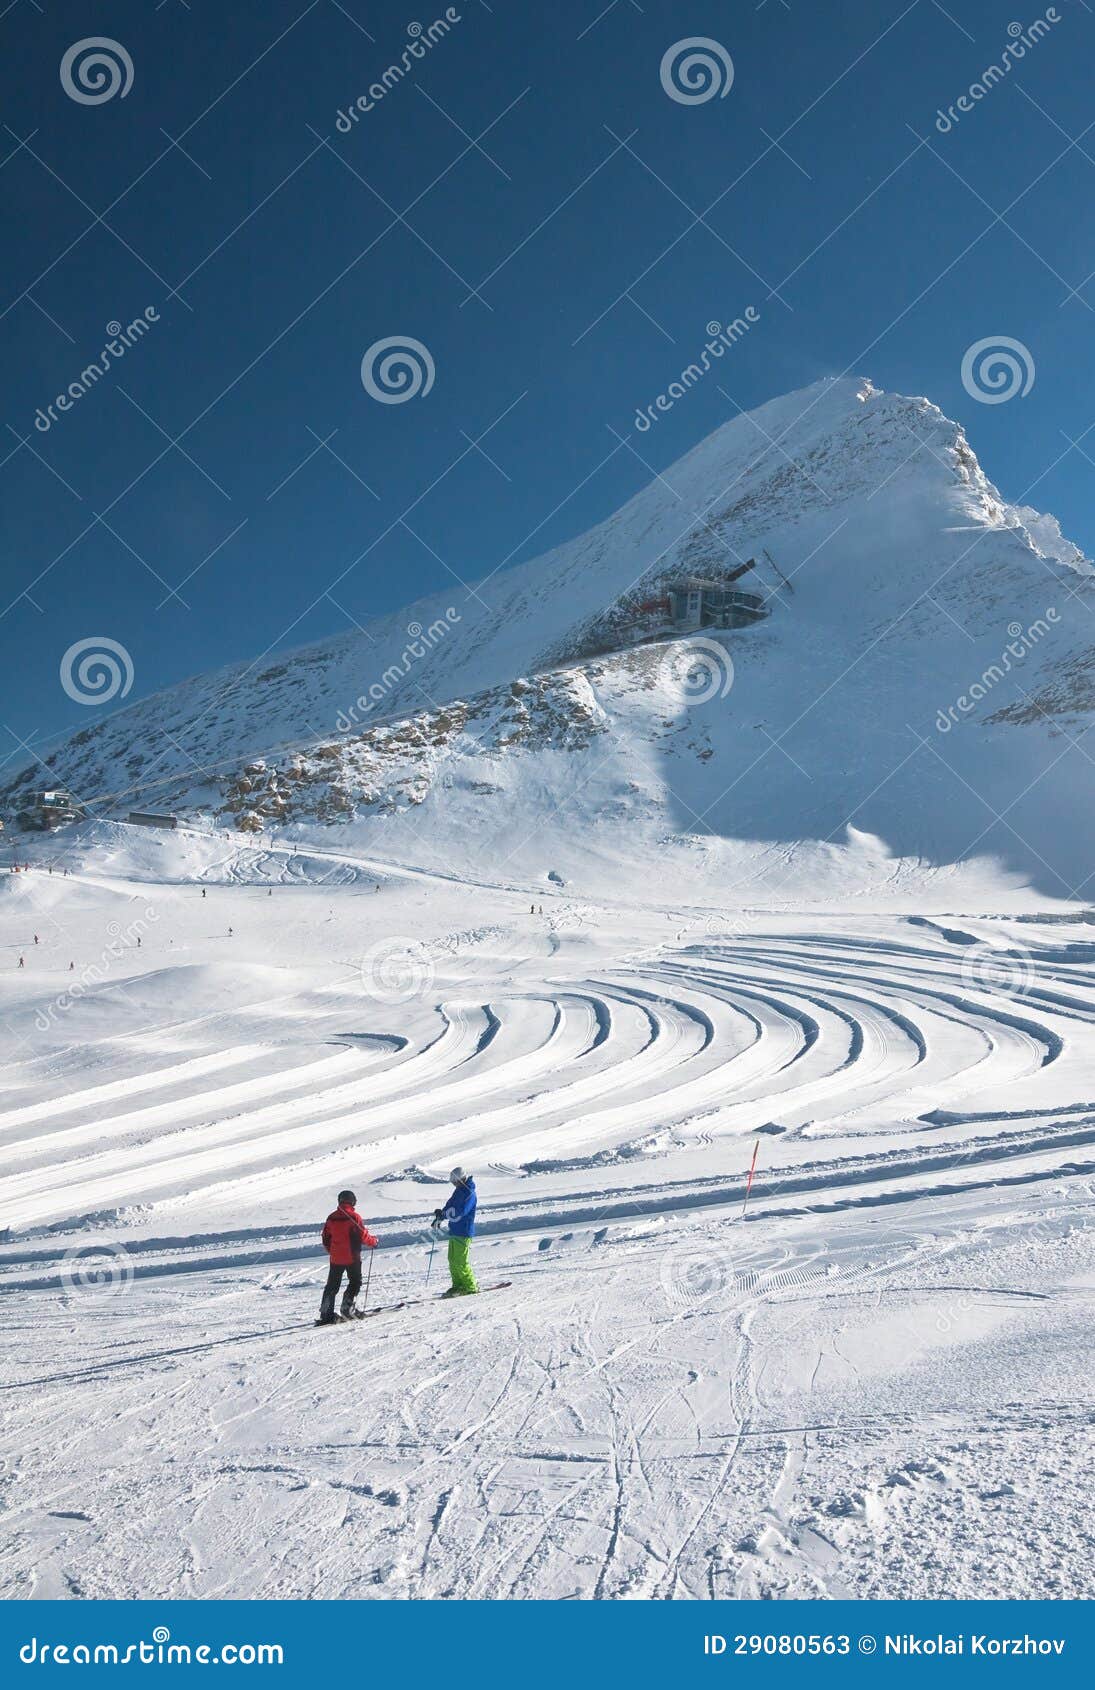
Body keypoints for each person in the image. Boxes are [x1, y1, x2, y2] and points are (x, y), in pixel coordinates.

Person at [318, 1189, 378, 1323]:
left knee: (332, 1285)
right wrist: (373, 1242)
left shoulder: (331, 1217)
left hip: (336, 1258)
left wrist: (332, 1251)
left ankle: (326, 1314)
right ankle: (347, 1309)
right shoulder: (354, 1217)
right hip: (352, 1257)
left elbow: (325, 1237)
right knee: (355, 1282)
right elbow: (363, 1235)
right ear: (352, 1202)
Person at [433, 1168, 479, 1297]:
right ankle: (458, 1285)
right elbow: (450, 1205)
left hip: (463, 1231)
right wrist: (440, 1216)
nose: (453, 1184)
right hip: (454, 1230)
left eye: (454, 1182)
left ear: (460, 1179)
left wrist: (445, 1214)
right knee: (452, 1260)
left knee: (460, 1261)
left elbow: (460, 1212)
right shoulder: (459, 1191)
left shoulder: (469, 1193)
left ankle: (471, 1286)